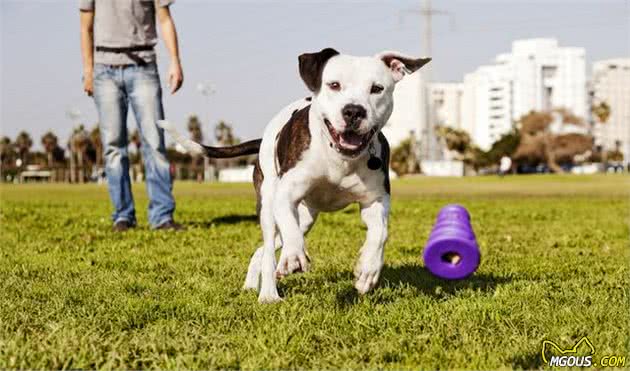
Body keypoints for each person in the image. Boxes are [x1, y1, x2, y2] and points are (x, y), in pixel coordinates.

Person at [80, 0, 184, 231]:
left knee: (155, 143)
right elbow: (85, 26)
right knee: (113, 146)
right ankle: (123, 215)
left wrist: (175, 60)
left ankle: (161, 216)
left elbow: (164, 18)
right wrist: (88, 71)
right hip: (104, 69)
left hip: (144, 65)